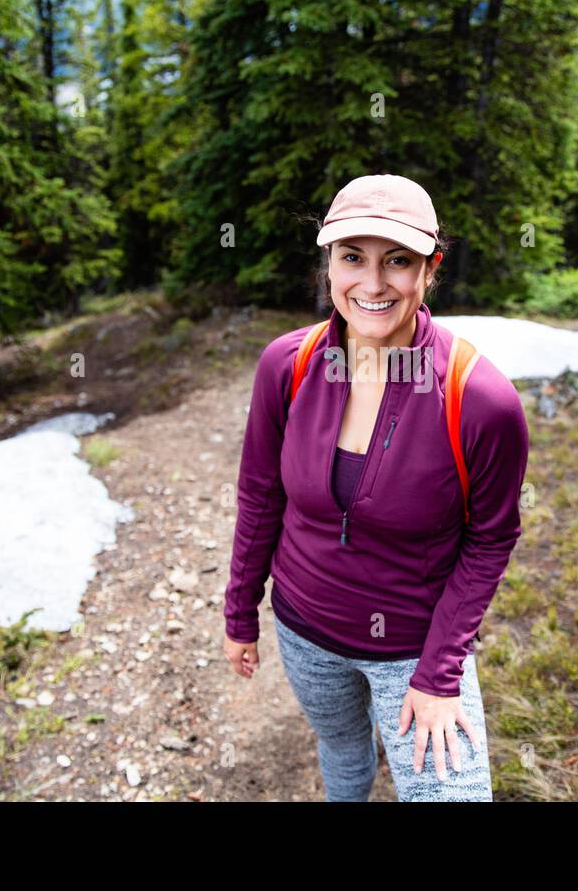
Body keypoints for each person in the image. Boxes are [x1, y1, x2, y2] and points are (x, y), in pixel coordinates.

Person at [222, 173, 530, 801]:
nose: (371, 283)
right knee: (342, 748)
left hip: (416, 646)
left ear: (430, 269)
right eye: (352, 257)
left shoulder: (480, 398)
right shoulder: (287, 365)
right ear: (328, 264)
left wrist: (439, 672)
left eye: (397, 260)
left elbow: (491, 538)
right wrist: (240, 612)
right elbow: (260, 496)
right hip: (304, 628)